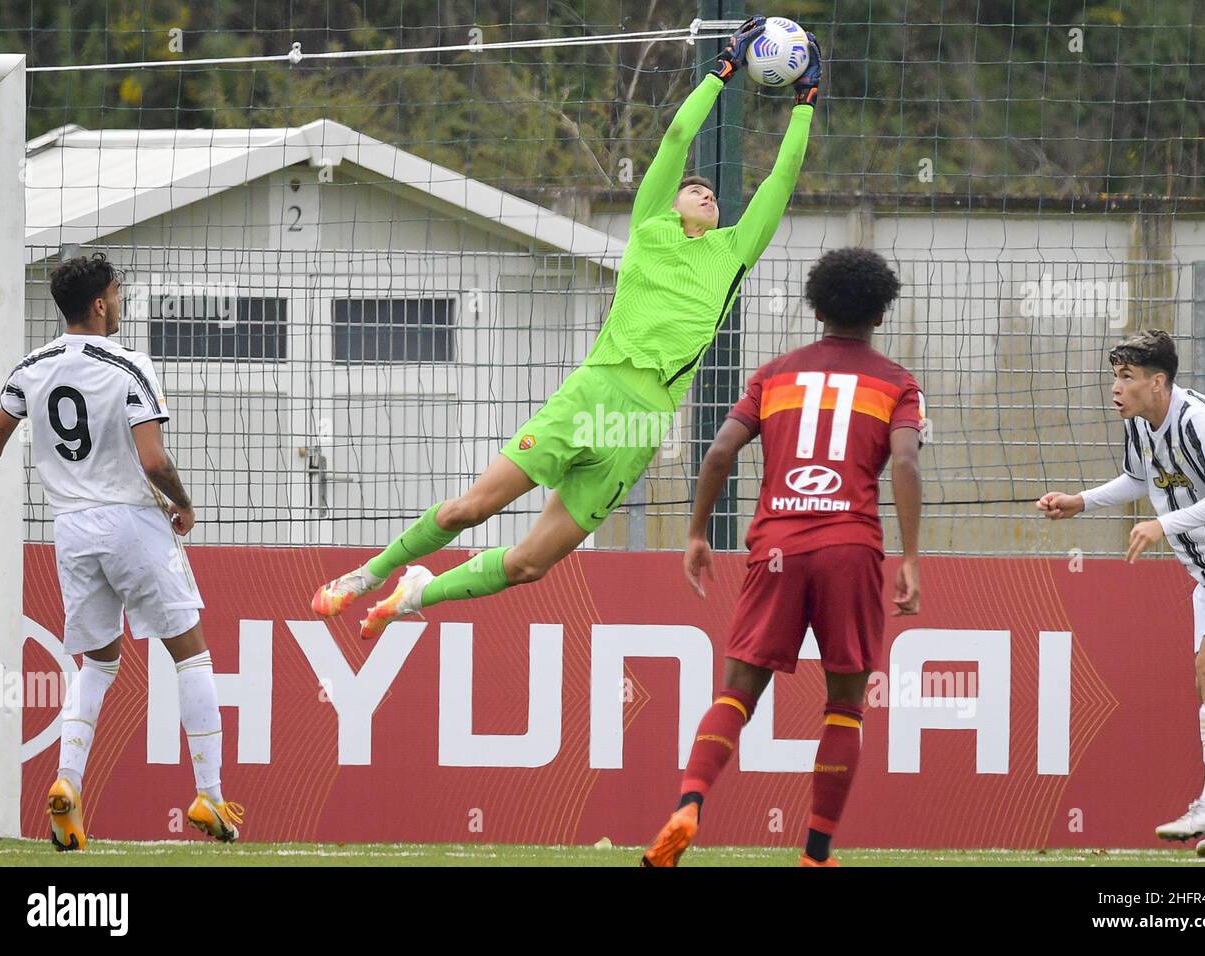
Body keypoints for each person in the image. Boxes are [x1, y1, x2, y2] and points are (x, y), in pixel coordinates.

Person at [311, 16, 823, 638]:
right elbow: (678, 136)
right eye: (692, 187)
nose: (703, 190)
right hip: (595, 393)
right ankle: (367, 574)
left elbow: (782, 178)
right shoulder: (649, 232)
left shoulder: (735, 251)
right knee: (472, 509)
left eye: (709, 189)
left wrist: (805, 102)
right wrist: (723, 69)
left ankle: (420, 592)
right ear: (671, 203)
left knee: (531, 563)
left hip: (639, 425)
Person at [641, 248, 925, 867]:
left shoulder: (774, 375)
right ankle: (816, 854)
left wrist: (696, 533)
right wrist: (911, 556)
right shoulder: (897, 382)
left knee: (738, 692)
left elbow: (718, 452)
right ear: (880, 314)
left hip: (777, 545)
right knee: (845, 706)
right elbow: (904, 462)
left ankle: (690, 802)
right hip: (850, 547)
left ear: (817, 308)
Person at [0, 253, 242, 849]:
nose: (121, 304)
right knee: (190, 654)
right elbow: (153, 460)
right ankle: (210, 795)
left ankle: (68, 786)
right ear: (100, 304)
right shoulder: (128, 366)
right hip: (130, 523)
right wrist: (182, 502)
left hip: (70, 531)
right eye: (119, 295)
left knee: (98, 662)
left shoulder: (30, 367)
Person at [1038, 329, 1205, 856]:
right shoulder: (1143, 427)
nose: (1115, 389)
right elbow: (1139, 479)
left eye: (1126, 378)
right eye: (1114, 377)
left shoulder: (1198, 420)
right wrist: (1082, 500)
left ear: (1158, 382)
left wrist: (1162, 527)